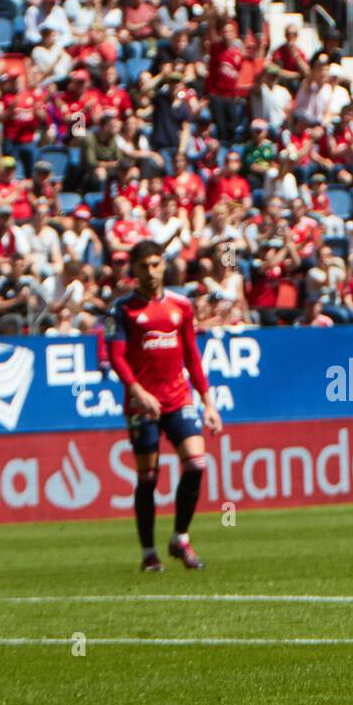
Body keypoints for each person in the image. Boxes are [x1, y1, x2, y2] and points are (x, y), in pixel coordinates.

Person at [106, 240, 222, 573]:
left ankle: (180, 538)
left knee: (197, 464)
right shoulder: (122, 310)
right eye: (144, 266)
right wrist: (137, 392)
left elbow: (192, 355)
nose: (151, 271)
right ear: (135, 269)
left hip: (178, 398)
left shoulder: (181, 306)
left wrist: (208, 403)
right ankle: (148, 553)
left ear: (163, 265)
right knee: (149, 478)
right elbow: (116, 357)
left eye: (156, 264)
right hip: (143, 406)